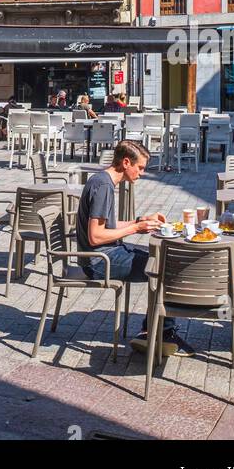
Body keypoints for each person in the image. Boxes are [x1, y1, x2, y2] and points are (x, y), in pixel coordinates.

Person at [76, 140, 191, 357]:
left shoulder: (103, 181)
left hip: (105, 254)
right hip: (99, 261)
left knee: (161, 261)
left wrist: (139, 221)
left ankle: (153, 330)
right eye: (140, 168)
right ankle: (160, 333)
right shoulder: (103, 186)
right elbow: (95, 236)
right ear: (126, 162)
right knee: (166, 268)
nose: (142, 173)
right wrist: (136, 228)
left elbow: (107, 226)